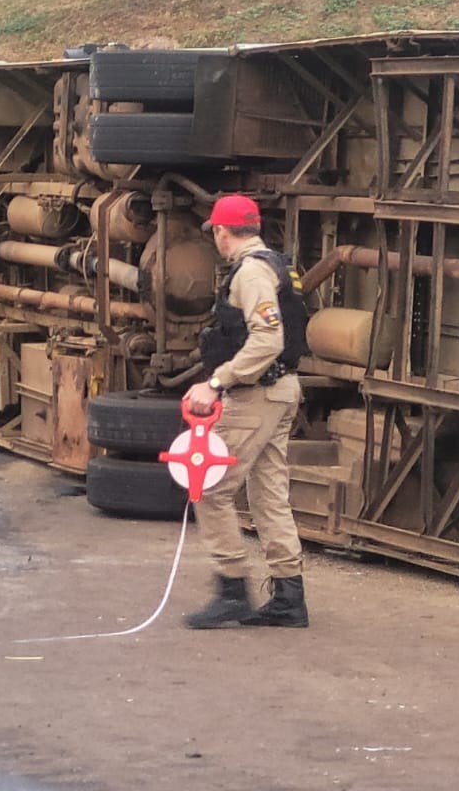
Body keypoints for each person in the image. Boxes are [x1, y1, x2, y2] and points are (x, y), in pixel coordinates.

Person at [182, 193, 308, 629]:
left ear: (221, 231)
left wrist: (216, 382)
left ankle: (232, 588)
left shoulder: (251, 272)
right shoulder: (275, 264)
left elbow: (267, 340)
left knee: (210, 485)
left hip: (258, 394)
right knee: (268, 493)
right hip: (281, 390)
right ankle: (289, 598)